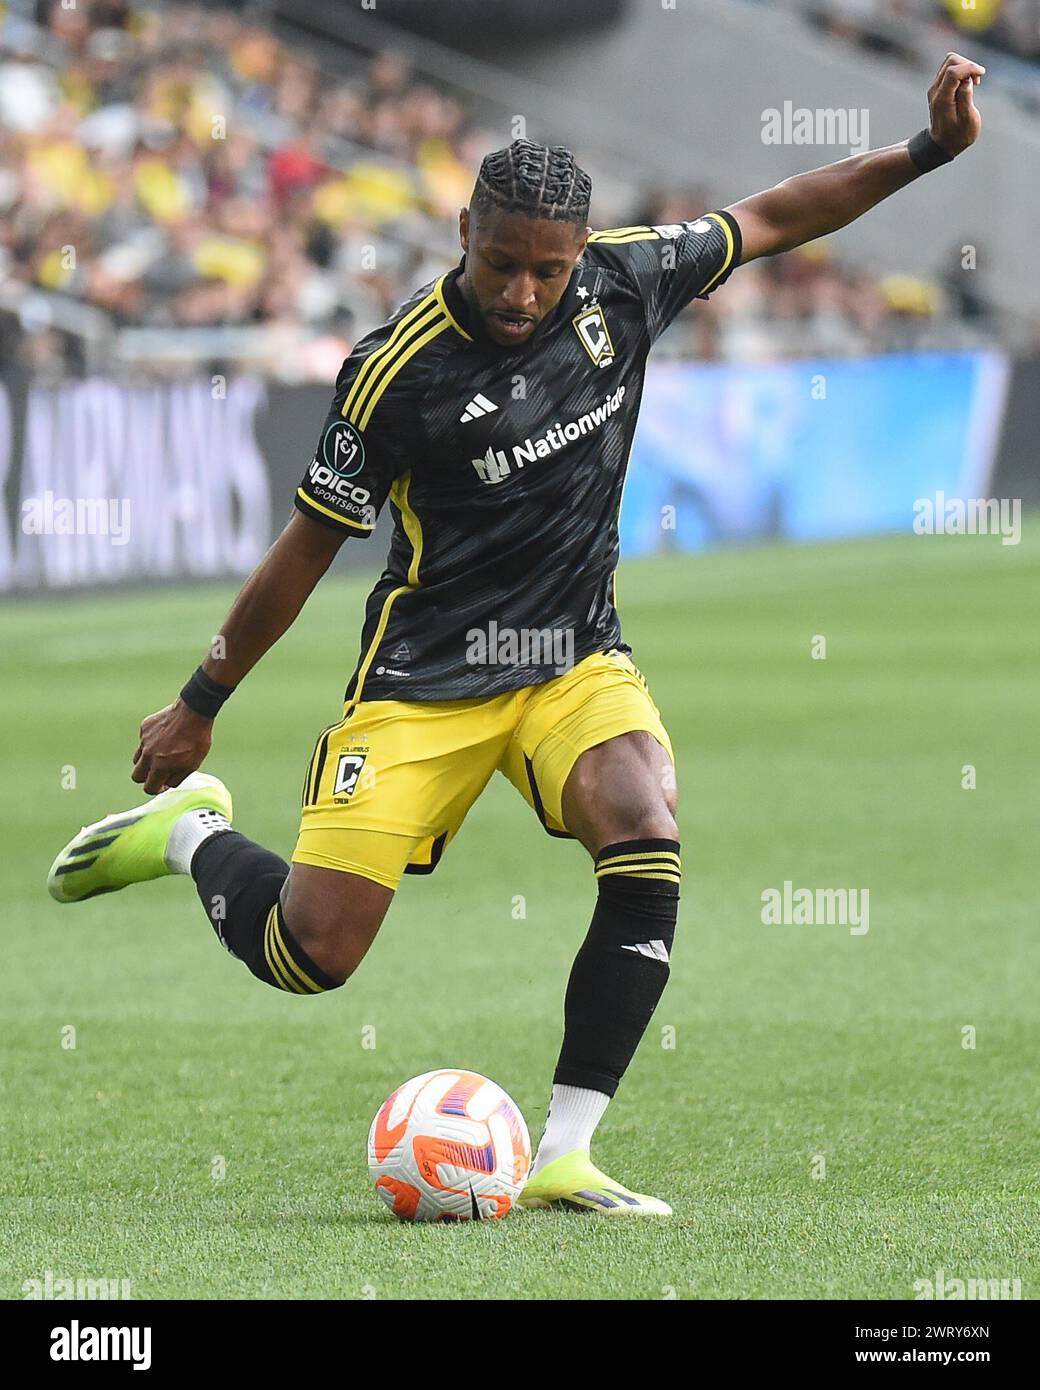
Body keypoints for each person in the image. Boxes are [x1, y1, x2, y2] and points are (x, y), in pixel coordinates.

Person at [48, 54, 984, 1217]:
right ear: (463, 231)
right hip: (422, 679)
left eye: (548, 269)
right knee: (312, 954)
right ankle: (189, 836)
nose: (524, 291)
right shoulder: (394, 374)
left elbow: (777, 215)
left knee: (643, 826)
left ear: (580, 252)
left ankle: (564, 1151)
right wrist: (201, 702)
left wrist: (925, 151)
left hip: (571, 658)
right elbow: (304, 549)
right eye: (501, 262)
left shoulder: (625, 282)